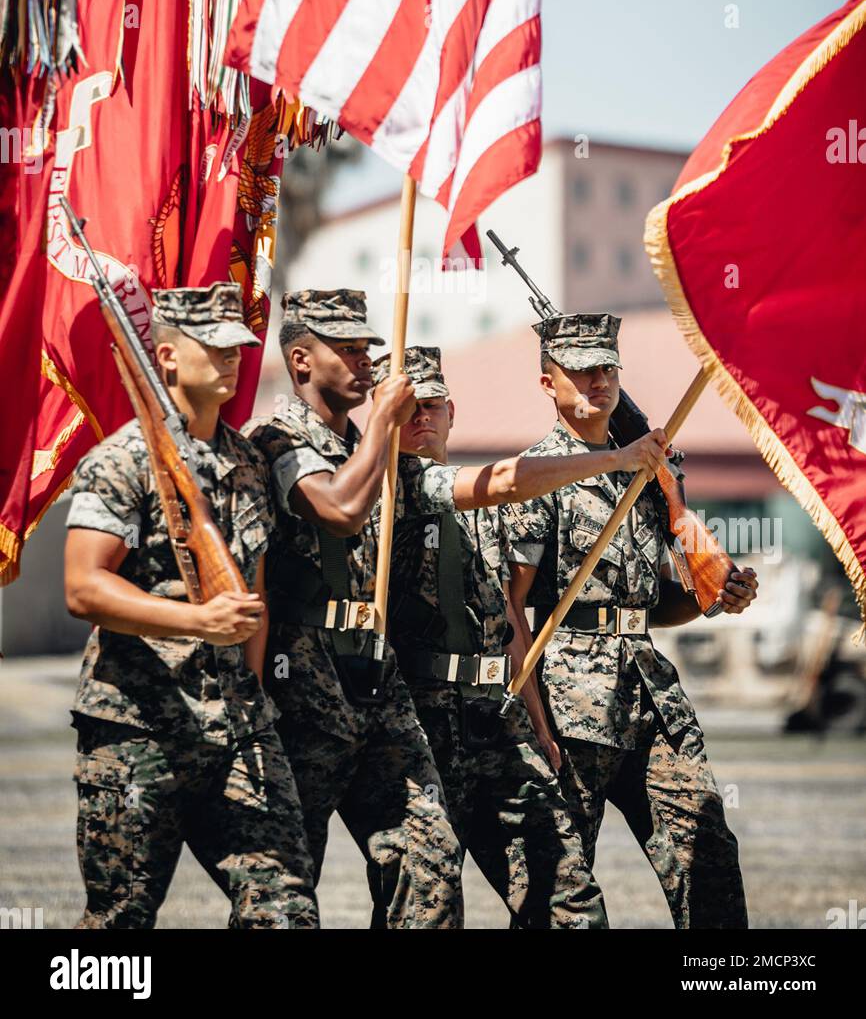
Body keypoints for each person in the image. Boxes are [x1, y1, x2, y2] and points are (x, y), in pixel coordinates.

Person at [244, 290, 667, 929]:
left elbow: (495, 483)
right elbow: (338, 509)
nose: (366, 363)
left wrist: (615, 459)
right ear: (300, 361)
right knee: (280, 896)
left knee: (430, 871)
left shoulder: (391, 462)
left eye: (369, 350)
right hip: (303, 690)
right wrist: (383, 430)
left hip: (378, 690)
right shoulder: (277, 440)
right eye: (349, 350)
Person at [64, 284, 319, 930]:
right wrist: (196, 622)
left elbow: (252, 588)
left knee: (285, 911)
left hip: (239, 730)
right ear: (170, 357)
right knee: (121, 919)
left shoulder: (248, 461)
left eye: (239, 347)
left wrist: (254, 694)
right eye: (216, 347)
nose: (233, 360)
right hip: (137, 726)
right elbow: (84, 588)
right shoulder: (121, 461)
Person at [501, 312, 758, 930]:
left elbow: (651, 603)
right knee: (564, 881)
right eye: (580, 370)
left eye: (607, 368)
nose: (596, 381)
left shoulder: (648, 473)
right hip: (568, 700)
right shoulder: (538, 474)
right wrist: (533, 717)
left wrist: (711, 594)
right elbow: (511, 607)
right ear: (548, 384)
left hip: (648, 691)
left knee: (706, 853)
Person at [371, 345, 607, 929]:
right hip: (418, 719)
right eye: (405, 410)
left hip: (496, 719)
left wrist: (541, 727)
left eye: (431, 406)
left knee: (566, 891)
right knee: (426, 898)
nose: (420, 419)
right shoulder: (382, 494)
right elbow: (506, 481)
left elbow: (509, 622)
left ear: (452, 410)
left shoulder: (484, 509)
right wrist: (616, 459)